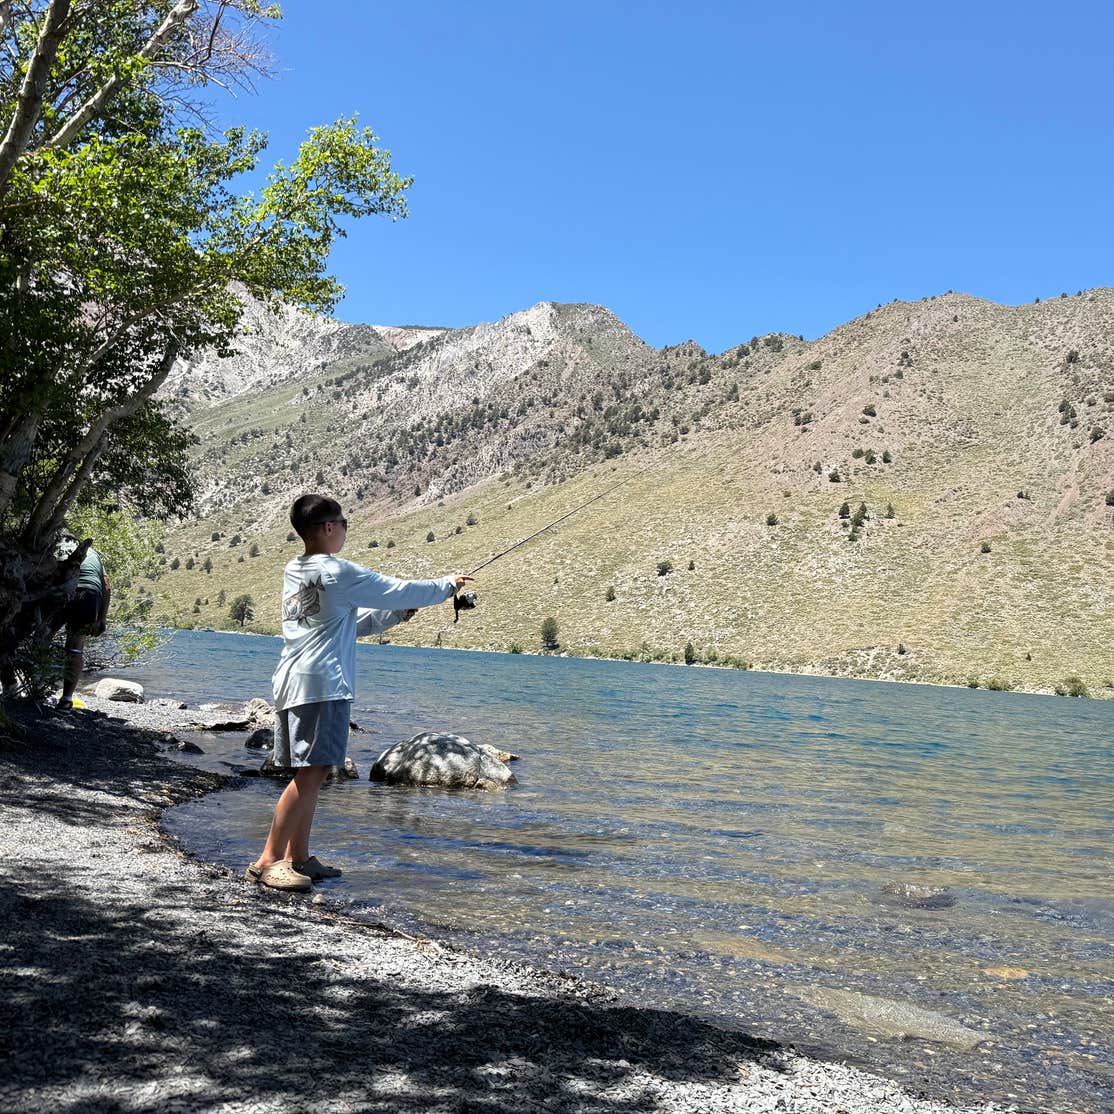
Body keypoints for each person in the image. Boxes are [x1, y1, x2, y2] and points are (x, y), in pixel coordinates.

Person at [245, 493, 472, 892]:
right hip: (322, 684)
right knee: (311, 774)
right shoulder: (338, 571)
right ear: (329, 528)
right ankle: (269, 859)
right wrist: (446, 585)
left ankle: (300, 856)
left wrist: (394, 616)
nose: (346, 530)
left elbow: (349, 622)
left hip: (293, 680)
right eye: (344, 523)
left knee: (310, 773)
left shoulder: (296, 570)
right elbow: (398, 589)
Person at [1, 539, 111, 707]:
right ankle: (66, 700)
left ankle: (37, 689)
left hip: (64, 590)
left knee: (44, 637)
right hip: (90, 593)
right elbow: (107, 585)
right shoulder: (94, 555)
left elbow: (48, 573)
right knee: (76, 647)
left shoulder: (55, 547)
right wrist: (102, 617)